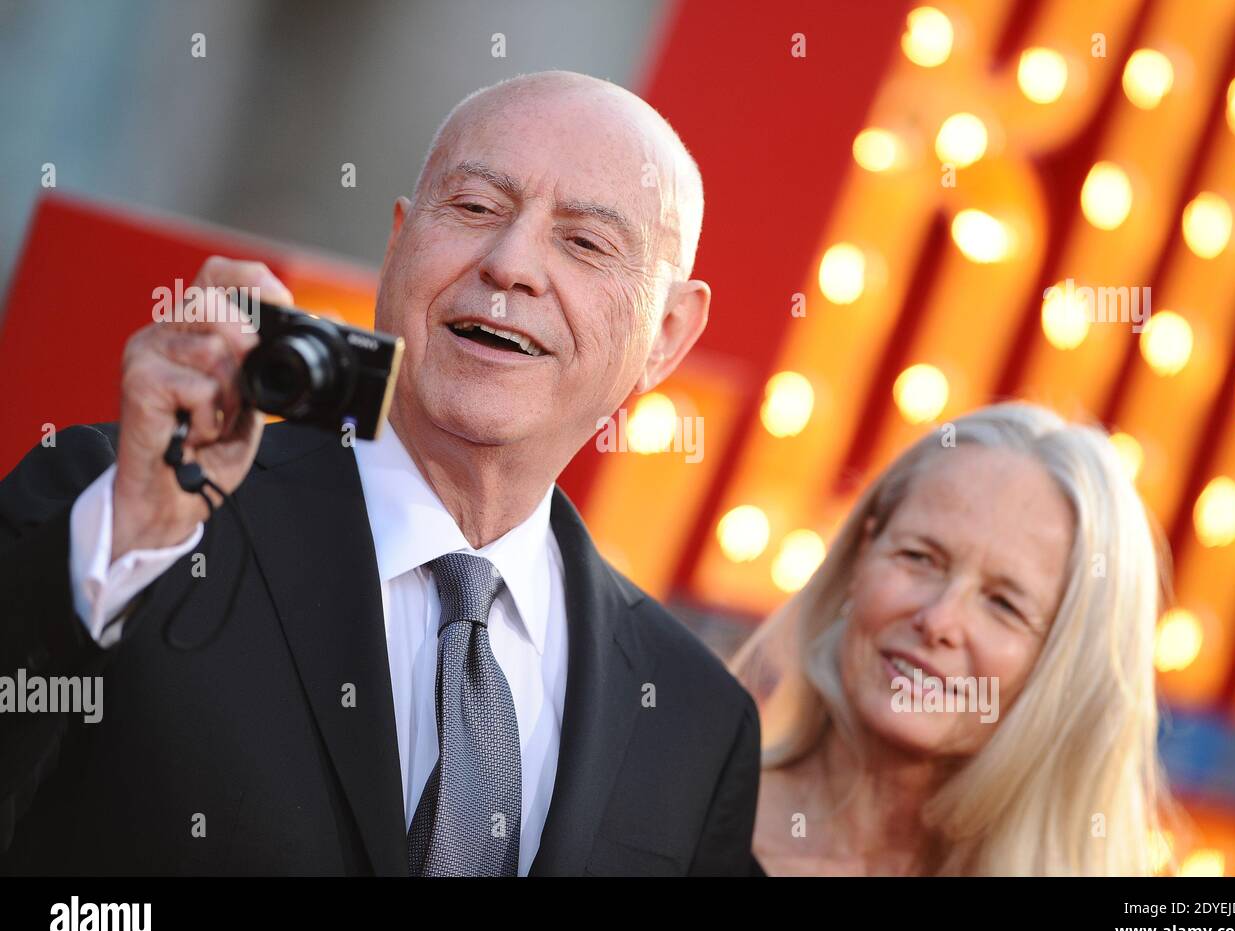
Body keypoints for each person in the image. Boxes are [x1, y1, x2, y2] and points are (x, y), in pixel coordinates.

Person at [0, 70, 760, 876]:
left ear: (668, 336)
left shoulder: (697, 726)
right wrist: (121, 547)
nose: (509, 265)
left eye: (585, 243)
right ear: (398, 243)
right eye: (474, 208)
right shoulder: (120, 509)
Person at [733, 402, 1173, 875]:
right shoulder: (681, 812)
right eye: (920, 557)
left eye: (1003, 604)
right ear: (863, 553)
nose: (939, 620)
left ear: (1068, 670)